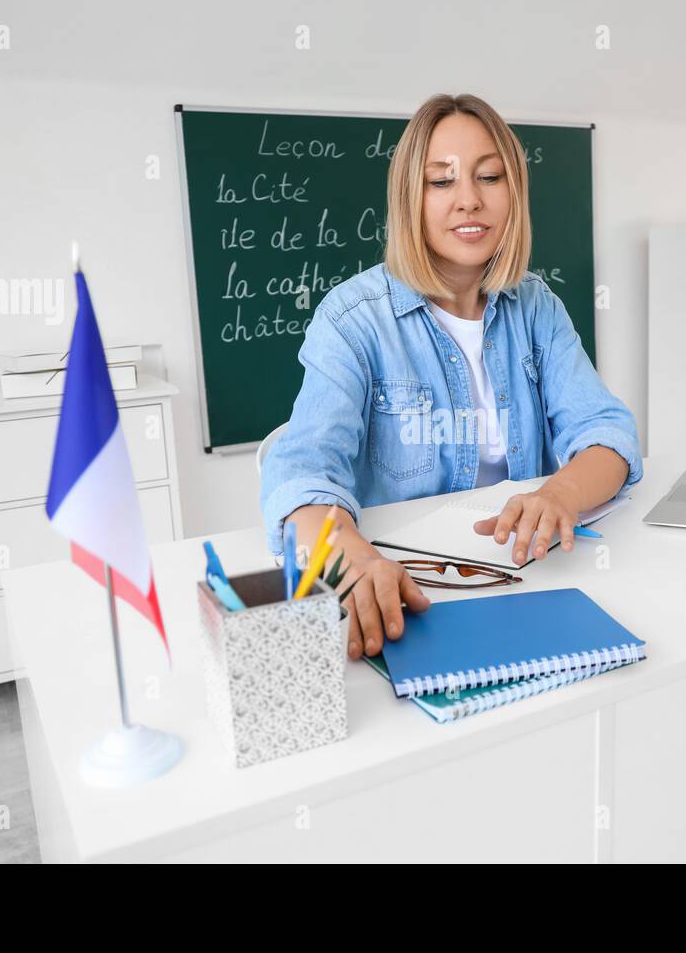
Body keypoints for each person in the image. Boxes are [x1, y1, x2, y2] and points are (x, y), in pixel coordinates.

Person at [261, 92, 642, 661]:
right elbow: (303, 474)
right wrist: (350, 556)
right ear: (409, 199)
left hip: (527, 582)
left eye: (489, 177)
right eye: (441, 182)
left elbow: (609, 435)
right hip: (413, 595)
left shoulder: (536, 307)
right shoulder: (351, 321)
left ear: (513, 193)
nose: (469, 200)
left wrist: (558, 492)